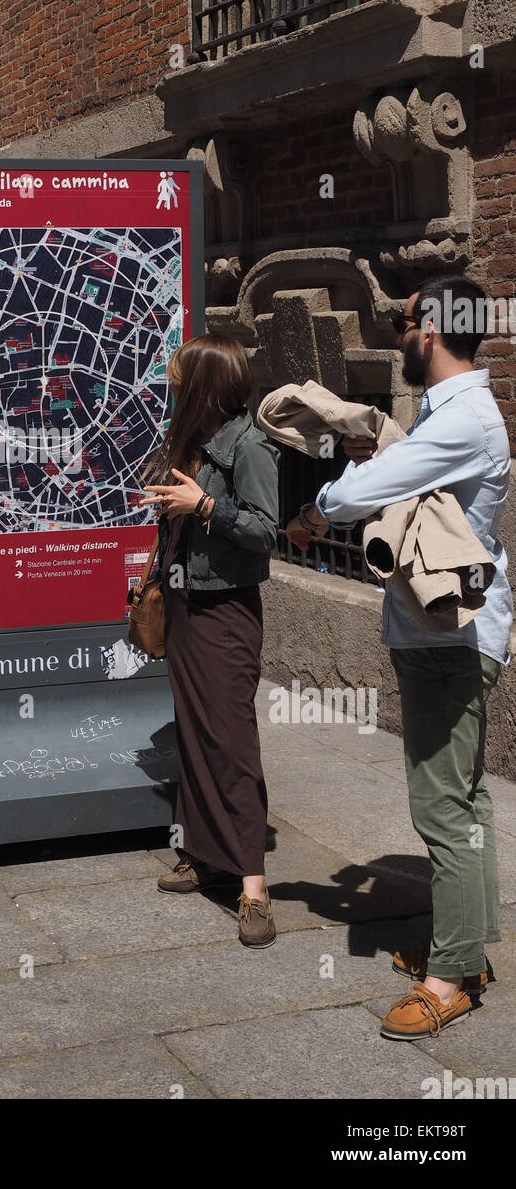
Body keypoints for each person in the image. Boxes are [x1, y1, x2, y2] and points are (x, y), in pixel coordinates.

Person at [286, 275, 512, 1040]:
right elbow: (402, 475)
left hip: (447, 642)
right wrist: (374, 444)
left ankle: (449, 978)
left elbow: (367, 494)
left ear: (434, 329)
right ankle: (468, 951)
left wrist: (313, 512)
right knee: (465, 801)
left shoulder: (464, 418)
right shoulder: (448, 416)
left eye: (403, 320)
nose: (395, 332)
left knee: (440, 806)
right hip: (444, 636)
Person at [141, 336, 281, 948]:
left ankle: (253, 886)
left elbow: (264, 530)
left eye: (180, 372)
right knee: (192, 734)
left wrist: (203, 506)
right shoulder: (192, 439)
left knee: (231, 743)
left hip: (225, 609)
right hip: (184, 603)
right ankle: (202, 853)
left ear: (205, 382)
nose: (171, 379)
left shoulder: (250, 446)